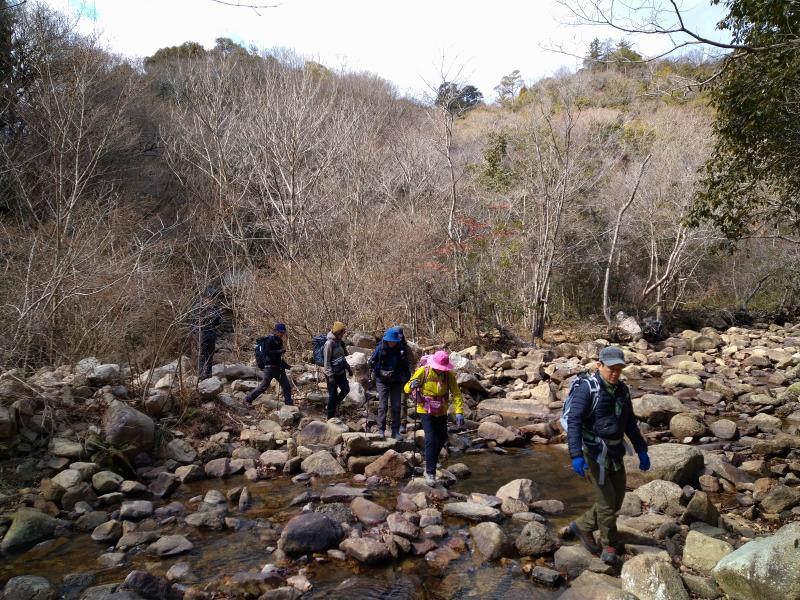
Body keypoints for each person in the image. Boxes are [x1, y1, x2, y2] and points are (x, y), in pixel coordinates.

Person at [562, 346, 650, 566]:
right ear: (599, 365)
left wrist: (641, 449)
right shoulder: (587, 389)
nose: (615, 373)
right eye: (611, 368)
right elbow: (574, 422)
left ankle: (581, 526)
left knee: (617, 498)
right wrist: (575, 455)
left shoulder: (622, 390)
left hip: (615, 451)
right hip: (592, 452)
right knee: (607, 503)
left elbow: (629, 422)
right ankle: (609, 545)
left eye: (619, 368)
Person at [404, 350, 464, 486]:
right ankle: (430, 472)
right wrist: (412, 385)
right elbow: (406, 388)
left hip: (441, 410)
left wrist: (459, 411)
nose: (441, 370)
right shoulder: (423, 371)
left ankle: (431, 458)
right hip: (425, 409)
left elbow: (457, 394)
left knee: (442, 437)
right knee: (430, 437)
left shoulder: (449, 375)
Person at [369, 327, 411, 439]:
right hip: (382, 381)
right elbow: (371, 362)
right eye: (390, 341)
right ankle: (381, 430)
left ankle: (395, 431)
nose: (392, 343)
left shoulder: (401, 349)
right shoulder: (380, 348)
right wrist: (371, 372)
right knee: (383, 406)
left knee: (396, 406)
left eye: (394, 341)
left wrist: (409, 378)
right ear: (387, 340)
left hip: (396, 380)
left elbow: (405, 365)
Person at [245, 323, 292, 406]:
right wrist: (279, 351)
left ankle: (289, 405)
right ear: (276, 331)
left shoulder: (279, 340)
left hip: (279, 368)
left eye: (283, 332)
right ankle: (248, 399)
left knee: (286, 386)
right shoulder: (269, 339)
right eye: (281, 332)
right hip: (269, 368)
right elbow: (267, 352)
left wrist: (285, 364)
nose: (282, 334)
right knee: (264, 386)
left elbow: (278, 356)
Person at [188, 286, 223, 379]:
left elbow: (219, 321)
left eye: (213, 299)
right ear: (206, 297)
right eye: (211, 298)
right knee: (202, 354)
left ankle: (208, 374)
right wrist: (195, 332)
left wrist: (217, 318)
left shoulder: (215, 308)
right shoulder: (198, 307)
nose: (212, 300)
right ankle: (200, 375)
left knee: (210, 354)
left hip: (212, 333)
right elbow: (192, 320)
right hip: (201, 333)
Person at [324, 321, 352, 419]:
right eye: (343, 332)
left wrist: (348, 368)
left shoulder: (340, 342)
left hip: (340, 372)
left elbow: (342, 357)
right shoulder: (329, 344)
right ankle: (330, 417)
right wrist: (330, 376)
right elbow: (326, 362)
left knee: (346, 389)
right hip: (331, 373)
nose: (344, 334)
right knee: (333, 394)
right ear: (338, 332)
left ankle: (331, 407)